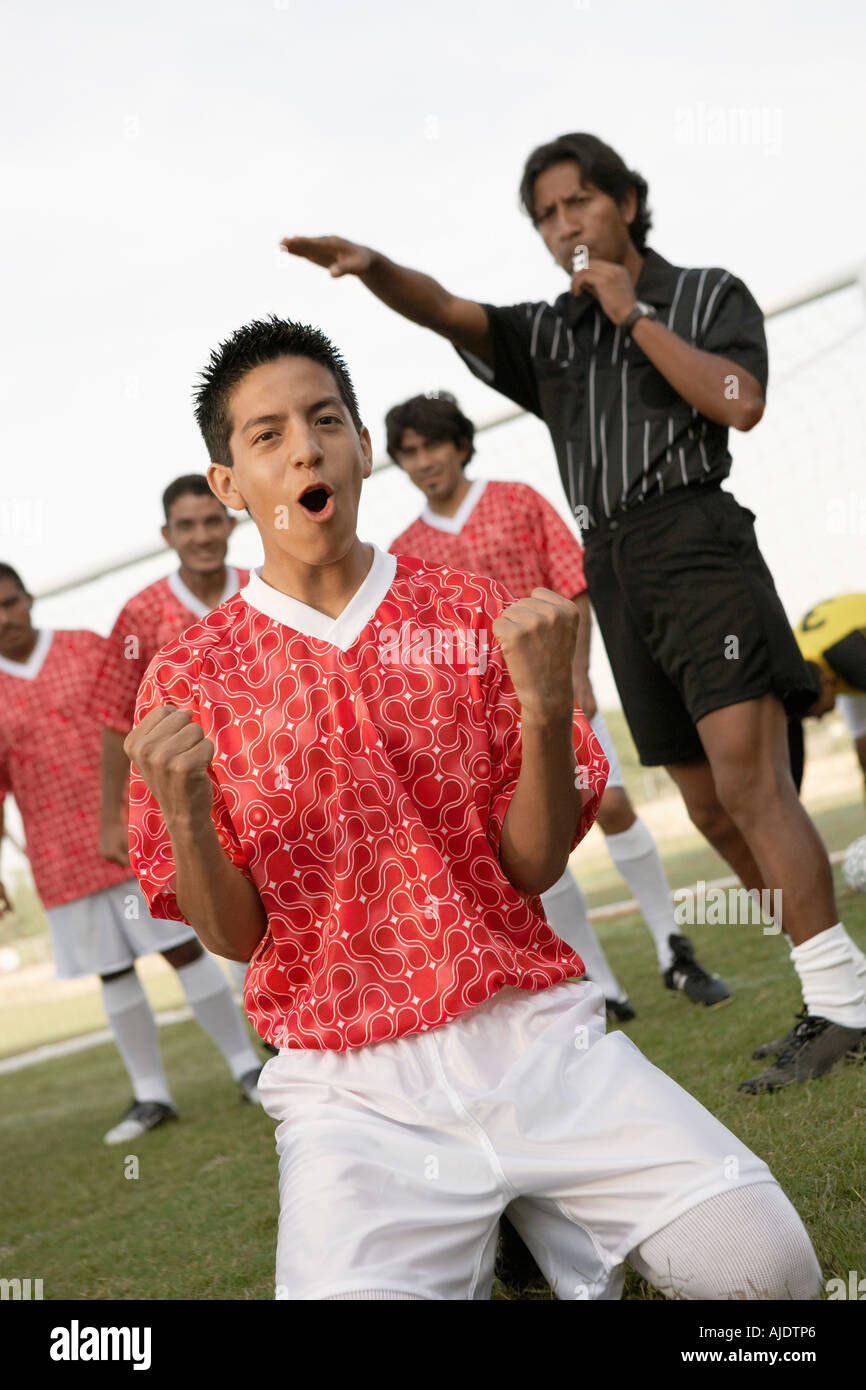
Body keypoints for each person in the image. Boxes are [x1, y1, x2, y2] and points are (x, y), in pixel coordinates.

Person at [123, 318, 820, 1301]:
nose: (306, 447)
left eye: (325, 419)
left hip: (534, 1032)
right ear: (229, 485)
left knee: (768, 1272)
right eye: (267, 434)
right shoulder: (188, 679)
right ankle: (527, 1233)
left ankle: (537, 1225)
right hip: (348, 1087)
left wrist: (543, 711)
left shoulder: (464, 613)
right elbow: (237, 936)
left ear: (363, 447)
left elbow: (530, 865)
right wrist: (188, 814)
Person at [282, 132, 866, 1093]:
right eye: (547, 216)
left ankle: (844, 1003)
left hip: (697, 542)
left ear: (626, 204)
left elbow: (741, 401)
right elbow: (444, 310)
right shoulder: (549, 334)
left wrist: (632, 311)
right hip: (616, 563)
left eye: (578, 204)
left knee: (752, 783)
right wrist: (374, 268)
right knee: (709, 803)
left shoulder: (705, 292)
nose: (564, 227)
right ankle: (834, 986)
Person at [385, 389, 729, 1017]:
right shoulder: (403, 550)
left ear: (460, 443)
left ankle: (671, 947)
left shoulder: (517, 499)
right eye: (409, 452)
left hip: (556, 694)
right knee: (533, 842)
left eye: (433, 443)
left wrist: (577, 672)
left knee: (615, 805)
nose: (424, 460)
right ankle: (599, 983)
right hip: (480, 722)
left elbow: (571, 584)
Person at [0, 564, 264, 1145]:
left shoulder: (87, 648)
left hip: (130, 833)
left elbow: (137, 713)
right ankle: (151, 1094)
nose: (6, 617)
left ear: (29, 598)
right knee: (111, 969)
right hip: (58, 853)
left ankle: (247, 1067)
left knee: (181, 949)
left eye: (11, 602)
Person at [91, 474, 256, 1004]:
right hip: (196, 803)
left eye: (212, 521)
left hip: (279, 786)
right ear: (168, 535)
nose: (202, 535)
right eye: (187, 525)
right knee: (233, 931)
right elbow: (118, 720)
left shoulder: (267, 588)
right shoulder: (141, 614)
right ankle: (276, 1046)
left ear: (231, 521)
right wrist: (112, 817)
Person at [791, 595, 866, 802]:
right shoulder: (791, 669)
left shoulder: (853, 659)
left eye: (815, 711)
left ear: (825, 682)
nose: (818, 718)